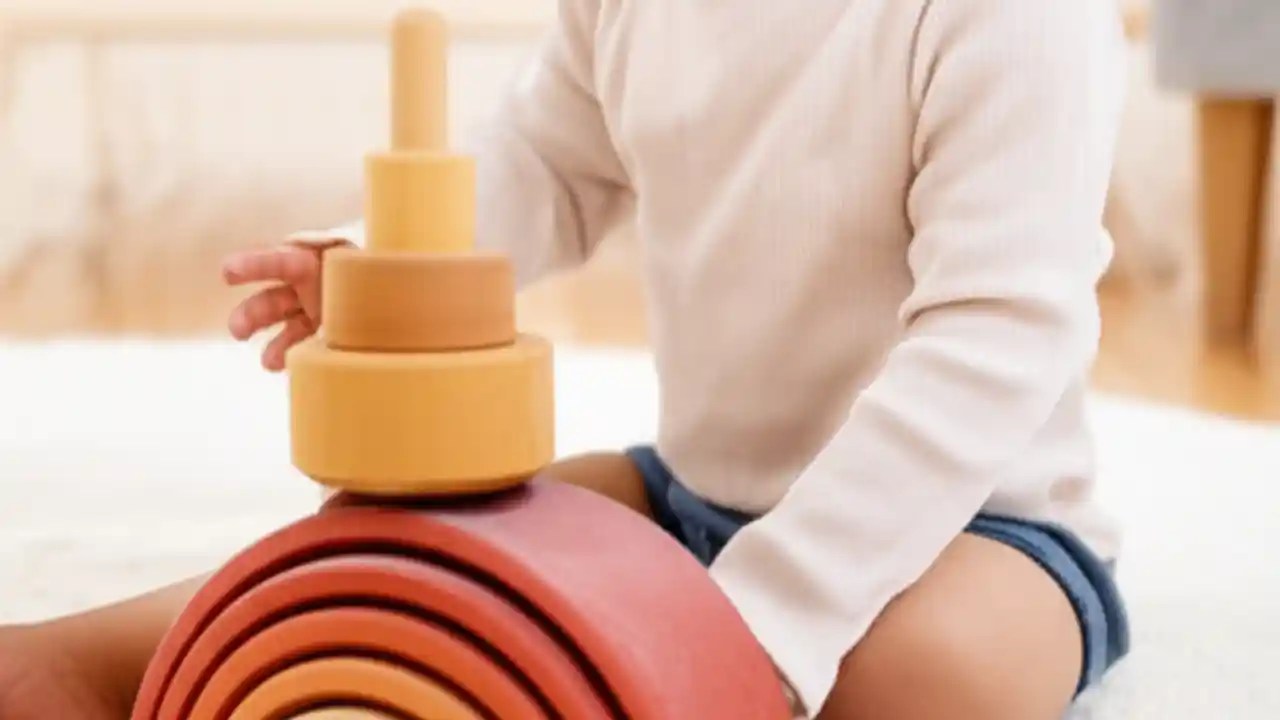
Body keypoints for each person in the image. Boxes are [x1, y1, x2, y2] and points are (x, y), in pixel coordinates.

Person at [0, 1, 1131, 717]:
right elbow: (543, 166)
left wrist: (767, 623)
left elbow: (996, 333)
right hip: (696, 494)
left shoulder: (1016, 15)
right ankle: (110, 659)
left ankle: (611, 673)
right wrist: (384, 261)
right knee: (408, 546)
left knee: (920, 680)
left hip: (975, 531)